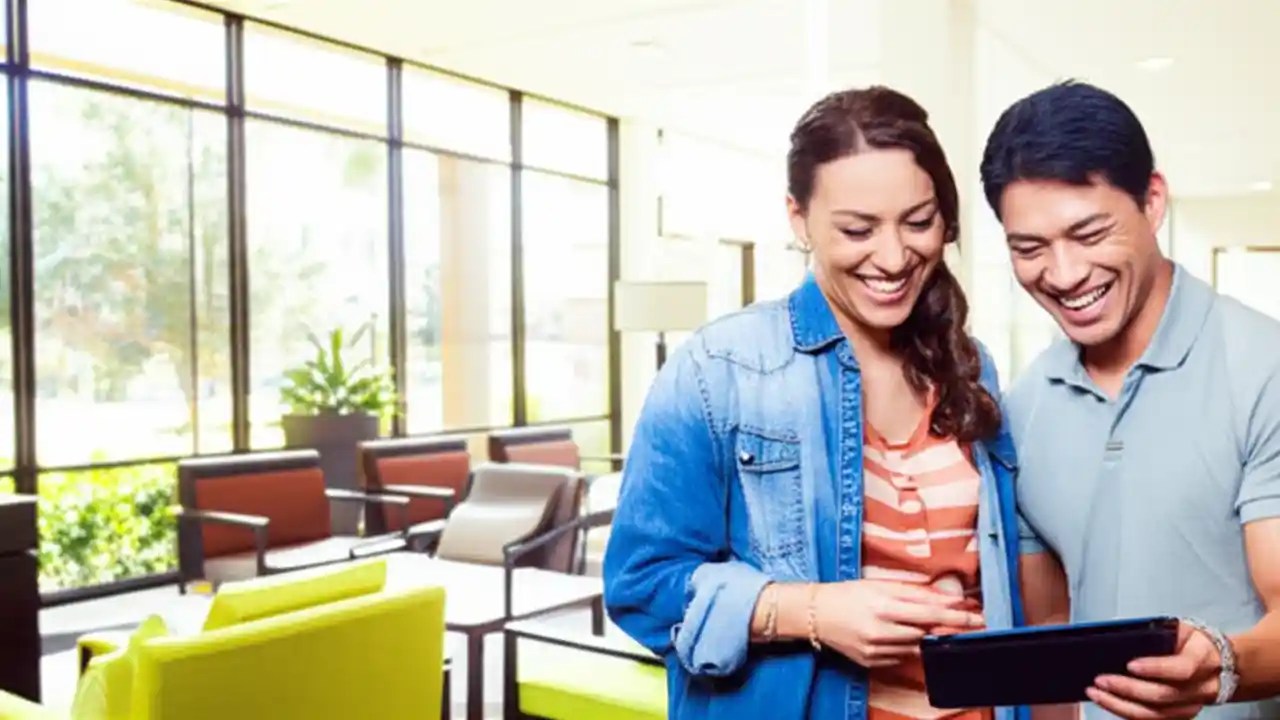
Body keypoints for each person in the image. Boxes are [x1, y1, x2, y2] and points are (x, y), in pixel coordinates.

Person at [604, 86, 1034, 720]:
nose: (893, 257)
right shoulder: (719, 369)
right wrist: (810, 611)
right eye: (857, 230)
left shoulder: (972, 366)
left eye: (918, 222)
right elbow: (641, 587)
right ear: (798, 219)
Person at [982, 80, 1280, 719]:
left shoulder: (1264, 368)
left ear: (1152, 201)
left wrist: (1220, 667)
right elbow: (1051, 633)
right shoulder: (1024, 406)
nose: (1063, 275)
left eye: (1089, 234)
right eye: (1029, 248)